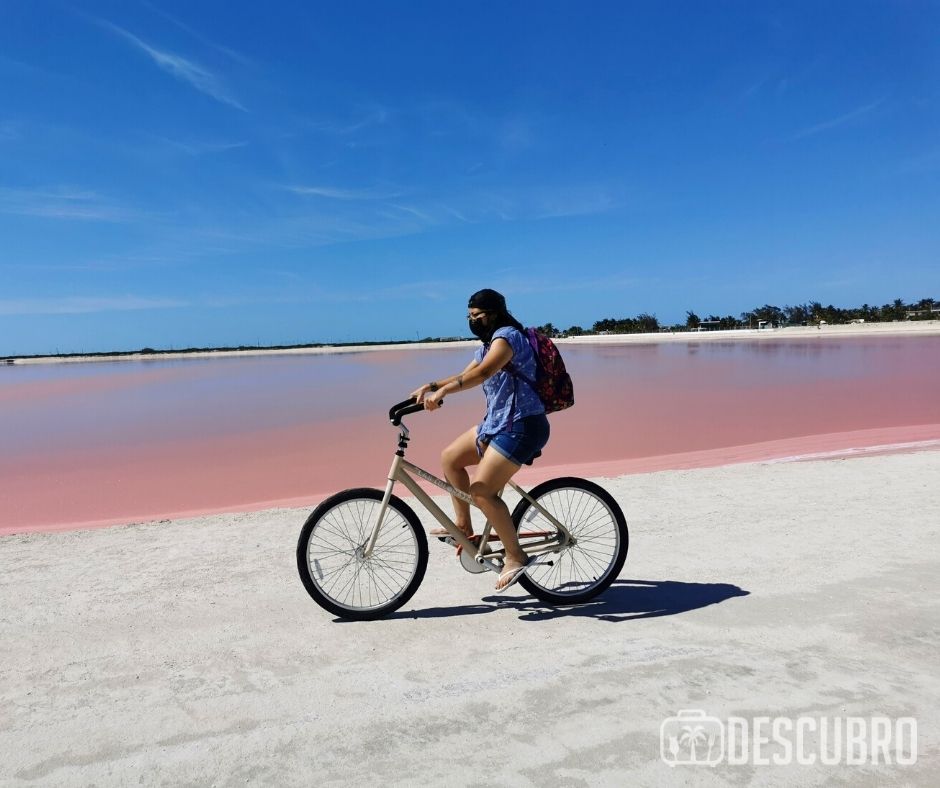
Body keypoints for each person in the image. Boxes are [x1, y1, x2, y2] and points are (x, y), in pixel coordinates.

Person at [411, 289, 550, 592]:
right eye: (469, 317)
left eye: (478, 316)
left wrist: (445, 393)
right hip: (497, 425)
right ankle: (465, 528)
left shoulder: (508, 338)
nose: (473, 321)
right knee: (450, 458)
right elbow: (466, 374)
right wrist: (431, 386)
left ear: (495, 313)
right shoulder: (488, 344)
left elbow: (485, 372)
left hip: (522, 426)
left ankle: (516, 556)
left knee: (482, 491)